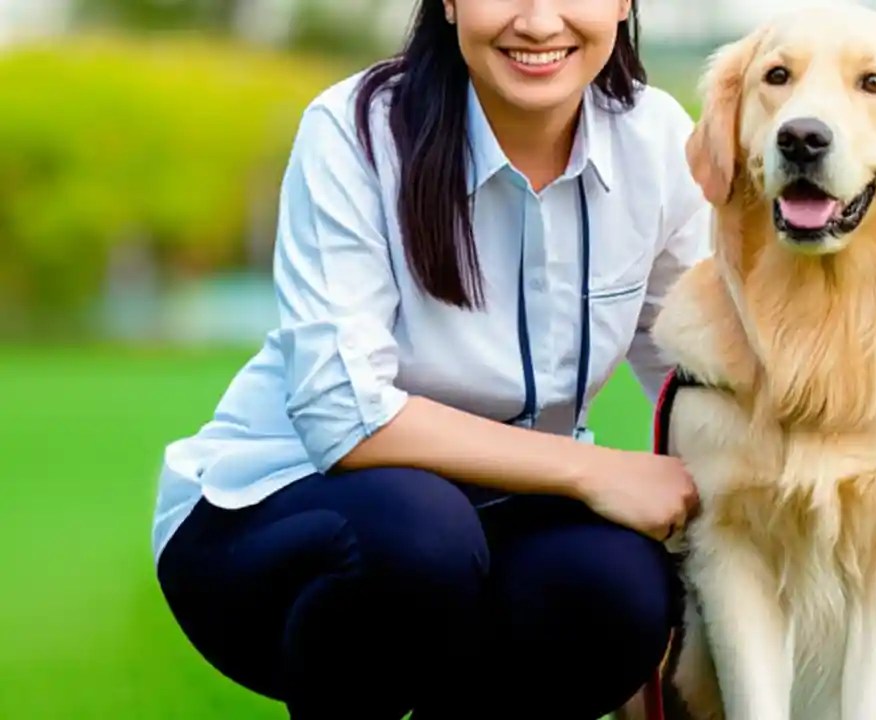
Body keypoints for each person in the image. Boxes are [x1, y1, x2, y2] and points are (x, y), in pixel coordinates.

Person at [152, 1, 705, 718]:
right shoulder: (357, 131)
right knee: (420, 536)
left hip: (504, 519)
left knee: (616, 584)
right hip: (276, 521)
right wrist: (592, 468)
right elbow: (342, 415)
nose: (539, 23)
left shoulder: (656, 139)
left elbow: (696, 372)